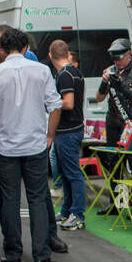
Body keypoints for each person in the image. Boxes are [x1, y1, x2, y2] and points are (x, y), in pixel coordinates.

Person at [0, 28, 61, 262]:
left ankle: (12, 253)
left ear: (2, 50)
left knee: (9, 200)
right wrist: (49, 135)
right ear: (25, 48)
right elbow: (55, 106)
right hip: (35, 144)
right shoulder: (42, 70)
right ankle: (41, 256)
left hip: (6, 146)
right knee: (37, 199)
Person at [93, 37, 132, 213]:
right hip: (113, 121)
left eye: (119, 58)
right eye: (114, 59)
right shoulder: (110, 71)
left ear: (129, 54)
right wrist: (104, 83)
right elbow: (99, 98)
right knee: (113, 162)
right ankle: (117, 203)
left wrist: (122, 88)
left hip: (131, 122)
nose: (117, 62)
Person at [49, 39, 86, 232]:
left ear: (50, 56)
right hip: (74, 126)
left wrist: (50, 100)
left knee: (72, 173)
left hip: (68, 129)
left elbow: (69, 102)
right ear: (67, 54)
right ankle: (67, 210)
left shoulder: (63, 75)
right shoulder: (75, 72)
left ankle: (77, 214)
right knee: (66, 172)